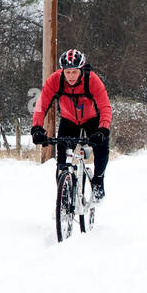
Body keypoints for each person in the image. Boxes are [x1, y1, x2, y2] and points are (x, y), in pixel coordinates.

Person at [30, 48, 112, 200]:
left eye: (74, 72)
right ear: (62, 71)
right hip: (69, 120)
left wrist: (103, 129)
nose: (71, 76)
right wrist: (36, 128)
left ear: (81, 70)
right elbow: (41, 105)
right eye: (67, 72)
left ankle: (99, 180)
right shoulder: (55, 80)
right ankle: (63, 198)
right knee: (61, 160)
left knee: (102, 148)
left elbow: (105, 107)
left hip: (92, 120)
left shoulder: (92, 80)